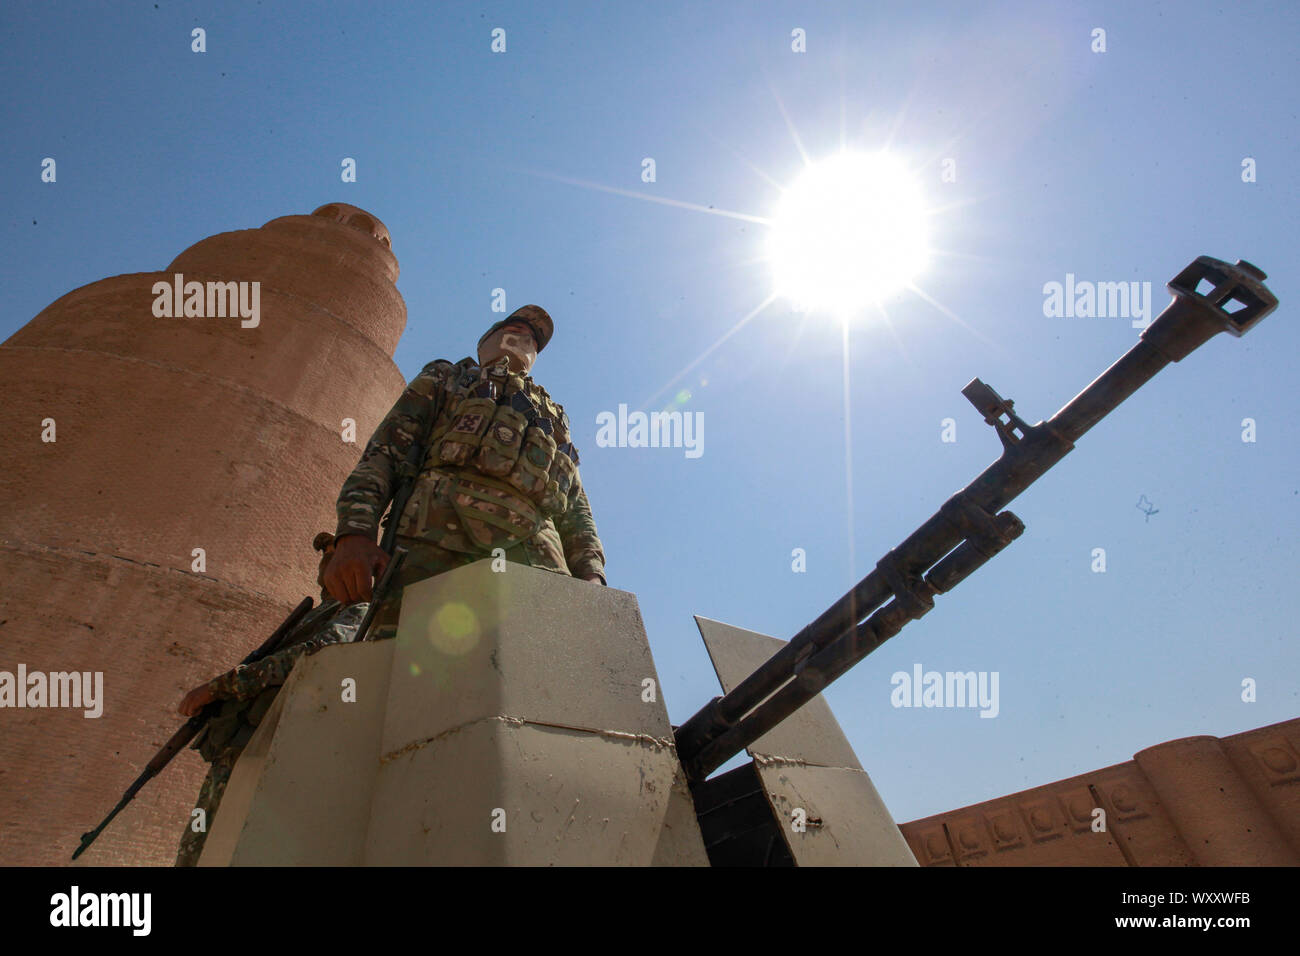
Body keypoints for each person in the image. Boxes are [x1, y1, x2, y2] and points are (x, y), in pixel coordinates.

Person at [325, 304, 606, 641]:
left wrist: (592, 576)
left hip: (537, 565)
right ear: (485, 341)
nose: (524, 336)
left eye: (533, 338)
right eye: (512, 327)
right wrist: (355, 534)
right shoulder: (446, 378)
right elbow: (385, 452)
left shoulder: (554, 417)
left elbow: (575, 506)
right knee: (405, 672)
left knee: (536, 677)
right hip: (430, 552)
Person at [173, 533, 368, 866]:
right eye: (325, 554)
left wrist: (222, 687)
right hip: (248, 740)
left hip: (279, 746)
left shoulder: (358, 610)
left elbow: (317, 652)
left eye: (333, 553)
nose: (325, 562)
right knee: (202, 846)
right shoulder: (318, 611)